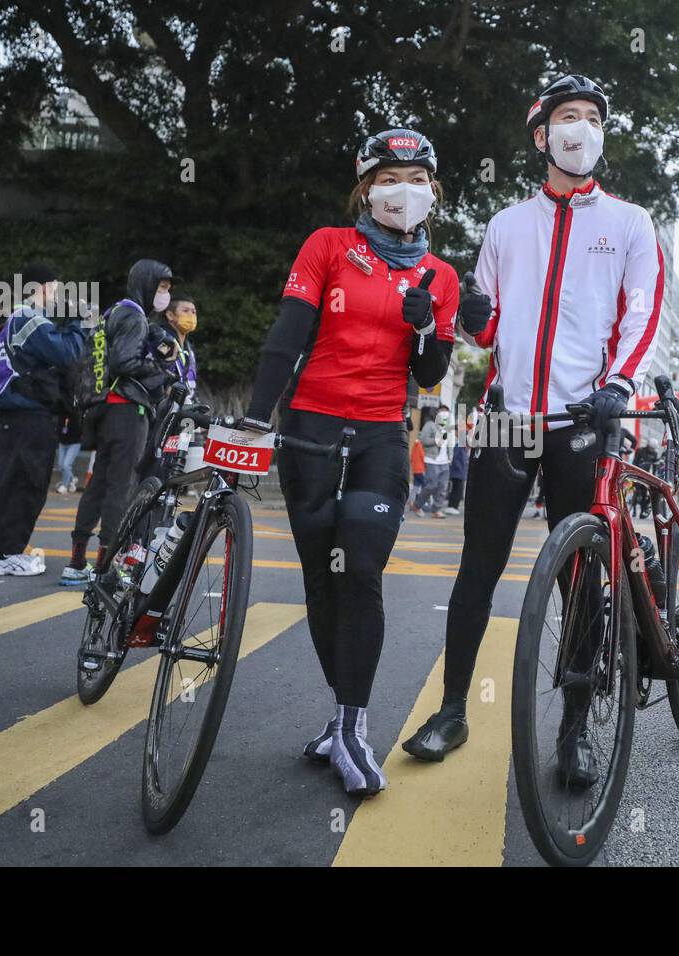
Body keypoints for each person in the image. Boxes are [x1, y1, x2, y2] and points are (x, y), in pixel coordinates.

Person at [403, 74, 664, 778]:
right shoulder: (506, 224)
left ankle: (574, 732)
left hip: (586, 418)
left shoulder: (631, 223)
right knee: (477, 569)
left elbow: (643, 314)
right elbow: (484, 332)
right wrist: (465, 315)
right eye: (568, 117)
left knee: (581, 576)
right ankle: (452, 711)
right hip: (504, 419)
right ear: (542, 135)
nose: (583, 129)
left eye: (593, 118)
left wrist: (617, 383)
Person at [243, 127, 462, 796]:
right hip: (310, 428)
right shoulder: (328, 246)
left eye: (419, 178)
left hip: (379, 437)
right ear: (366, 188)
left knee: (360, 570)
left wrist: (426, 324)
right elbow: (288, 335)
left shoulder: (442, 276)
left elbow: (430, 373)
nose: (407, 189)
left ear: (434, 191)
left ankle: (352, 724)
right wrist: (257, 415)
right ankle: (339, 716)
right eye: (392, 177)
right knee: (321, 578)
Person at [61, 259, 178, 586]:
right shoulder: (133, 316)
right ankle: (106, 567)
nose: (165, 294)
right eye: (163, 287)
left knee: (98, 484)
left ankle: (76, 562)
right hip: (128, 410)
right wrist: (160, 373)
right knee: (120, 487)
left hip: (104, 410)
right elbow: (125, 361)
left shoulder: (114, 312)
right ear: (146, 283)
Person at [0, 263, 90, 575]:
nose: (57, 293)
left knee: (16, 483)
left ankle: (6, 553)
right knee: (24, 484)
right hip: (27, 416)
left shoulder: (19, 318)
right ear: (41, 288)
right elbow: (67, 353)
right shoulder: (28, 318)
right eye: (55, 287)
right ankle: (8, 555)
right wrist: (80, 323)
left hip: (20, 416)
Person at [161, 295, 200, 404]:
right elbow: (156, 373)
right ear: (170, 315)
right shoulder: (162, 341)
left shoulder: (188, 347)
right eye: (185, 311)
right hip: (164, 409)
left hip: (185, 409)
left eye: (194, 312)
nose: (191, 315)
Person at [416, 404, 453, 517]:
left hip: (444, 461)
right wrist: (436, 440)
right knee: (431, 485)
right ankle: (417, 505)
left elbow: (449, 443)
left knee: (442, 486)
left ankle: (436, 510)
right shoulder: (430, 425)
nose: (444, 414)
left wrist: (450, 456)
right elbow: (423, 439)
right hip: (432, 460)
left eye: (446, 412)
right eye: (442, 411)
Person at [445, 414, 471, 515]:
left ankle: (453, 506)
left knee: (458, 490)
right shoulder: (458, 445)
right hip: (458, 472)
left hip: (461, 471)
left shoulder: (462, 445)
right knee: (456, 490)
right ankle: (452, 506)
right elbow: (456, 460)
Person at [408, 428, 426, 513]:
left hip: (415, 469)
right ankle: (422, 502)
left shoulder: (414, 446)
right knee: (425, 486)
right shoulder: (420, 446)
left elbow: (411, 457)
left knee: (415, 487)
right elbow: (423, 458)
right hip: (420, 469)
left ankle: (411, 501)